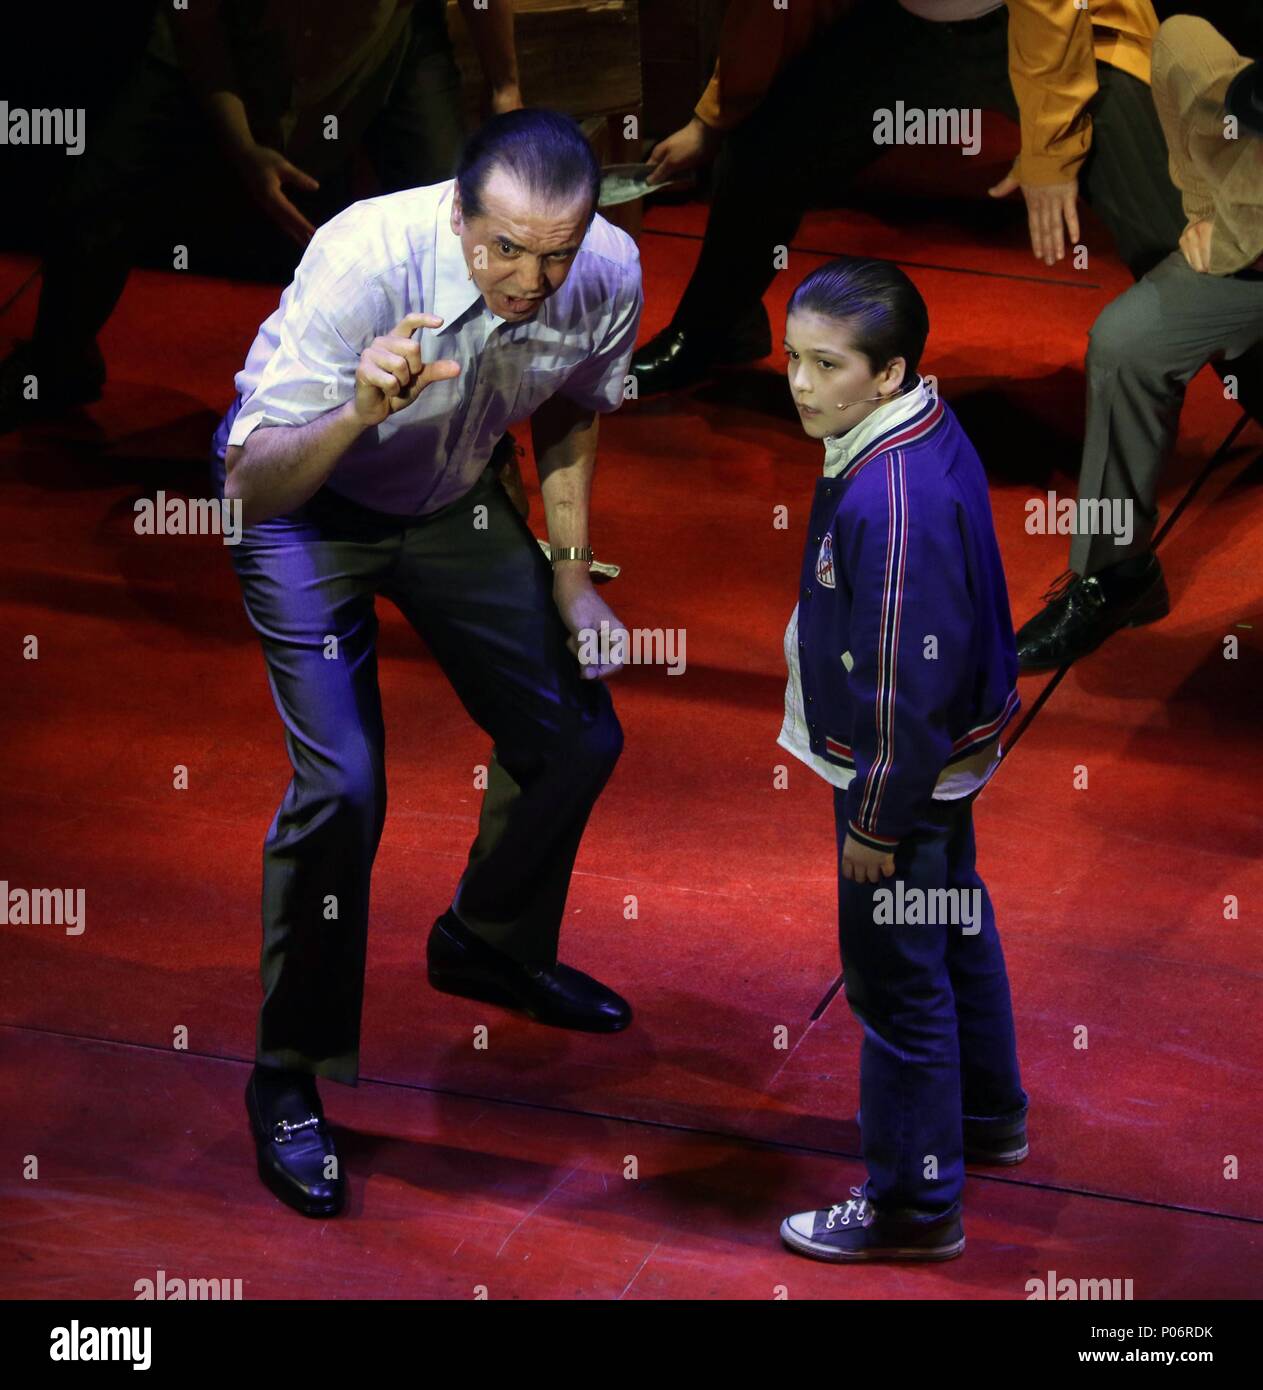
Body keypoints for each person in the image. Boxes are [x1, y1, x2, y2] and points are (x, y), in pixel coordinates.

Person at [213, 108, 644, 1218]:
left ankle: (488, 942)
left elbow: (576, 412)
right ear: (458, 217)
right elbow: (250, 487)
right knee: (345, 786)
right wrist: (360, 408)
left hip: (452, 501)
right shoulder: (362, 257)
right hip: (310, 509)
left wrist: (570, 570)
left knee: (577, 735)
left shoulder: (607, 274)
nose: (530, 276)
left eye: (555, 250)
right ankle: (288, 1075)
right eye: (503, 247)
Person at [631, 0, 1262, 411]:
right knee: (768, 138)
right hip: (906, 23)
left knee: (1169, 218)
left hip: (1067, 26)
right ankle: (713, 327)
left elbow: (1050, 12)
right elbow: (767, 10)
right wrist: (714, 119)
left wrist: (1050, 151)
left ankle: (1256, 365)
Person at [773, 258, 1027, 1261]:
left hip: (899, 788)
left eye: (826, 365)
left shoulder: (890, 497)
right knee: (955, 919)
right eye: (792, 357)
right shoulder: (918, 425)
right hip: (942, 773)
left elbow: (902, 687)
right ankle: (987, 1116)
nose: (798, 383)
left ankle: (914, 1206)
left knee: (894, 982)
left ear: (889, 373)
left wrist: (876, 818)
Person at [0, 0, 522, 432]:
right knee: (94, 202)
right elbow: (195, 19)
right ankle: (57, 365)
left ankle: (468, 433)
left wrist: (504, 86)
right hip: (221, 46)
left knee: (451, 220)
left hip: (382, 38)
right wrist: (243, 147)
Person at [1017, 13, 1263, 671]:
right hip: (1249, 254)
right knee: (1128, 342)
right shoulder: (1187, 37)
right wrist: (1205, 218)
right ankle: (1115, 577)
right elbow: (1194, 142)